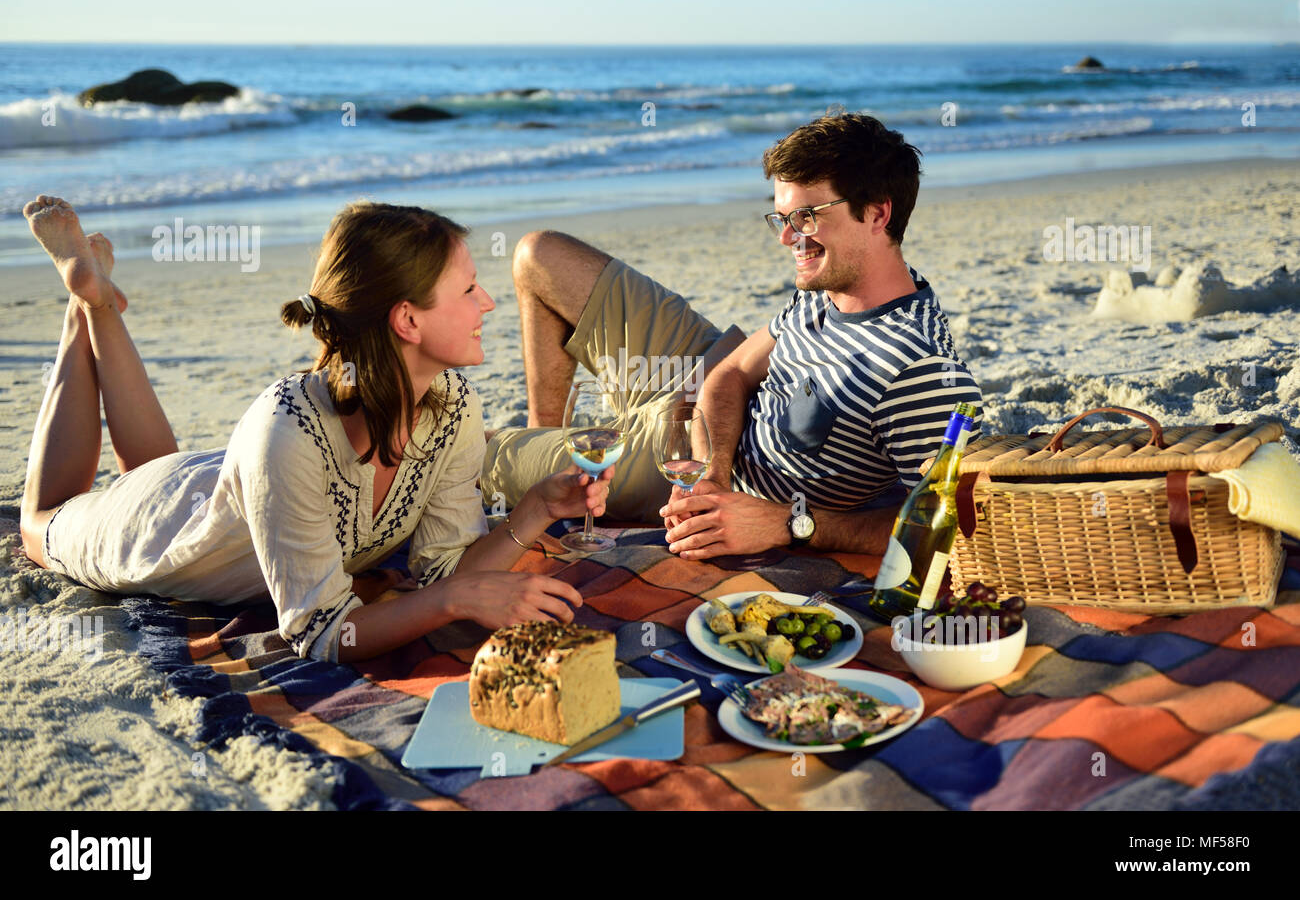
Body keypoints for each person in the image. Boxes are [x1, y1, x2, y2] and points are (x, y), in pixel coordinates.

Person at [18, 197, 611, 663]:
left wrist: (533, 509)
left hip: (222, 488)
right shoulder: (287, 429)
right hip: (158, 537)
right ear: (406, 319)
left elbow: (443, 572)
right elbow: (324, 635)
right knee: (41, 523)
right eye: (467, 288)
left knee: (152, 466)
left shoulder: (451, 405)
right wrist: (451, 601)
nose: (487, 303)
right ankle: (87, 307)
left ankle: (98, 303)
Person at [480, 111, 982, 559]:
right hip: (705, 412)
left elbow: (951, 525)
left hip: (673, 464)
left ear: (876, 213)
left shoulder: (919, 370)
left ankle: (538, 463)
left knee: (472, 453)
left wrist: (789, 524)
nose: (787, 238)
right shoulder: (830, 286)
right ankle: (543, 432)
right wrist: (711, 467)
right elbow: (734, 371)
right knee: (539, 255)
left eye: (806, 217)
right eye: (782, 218)